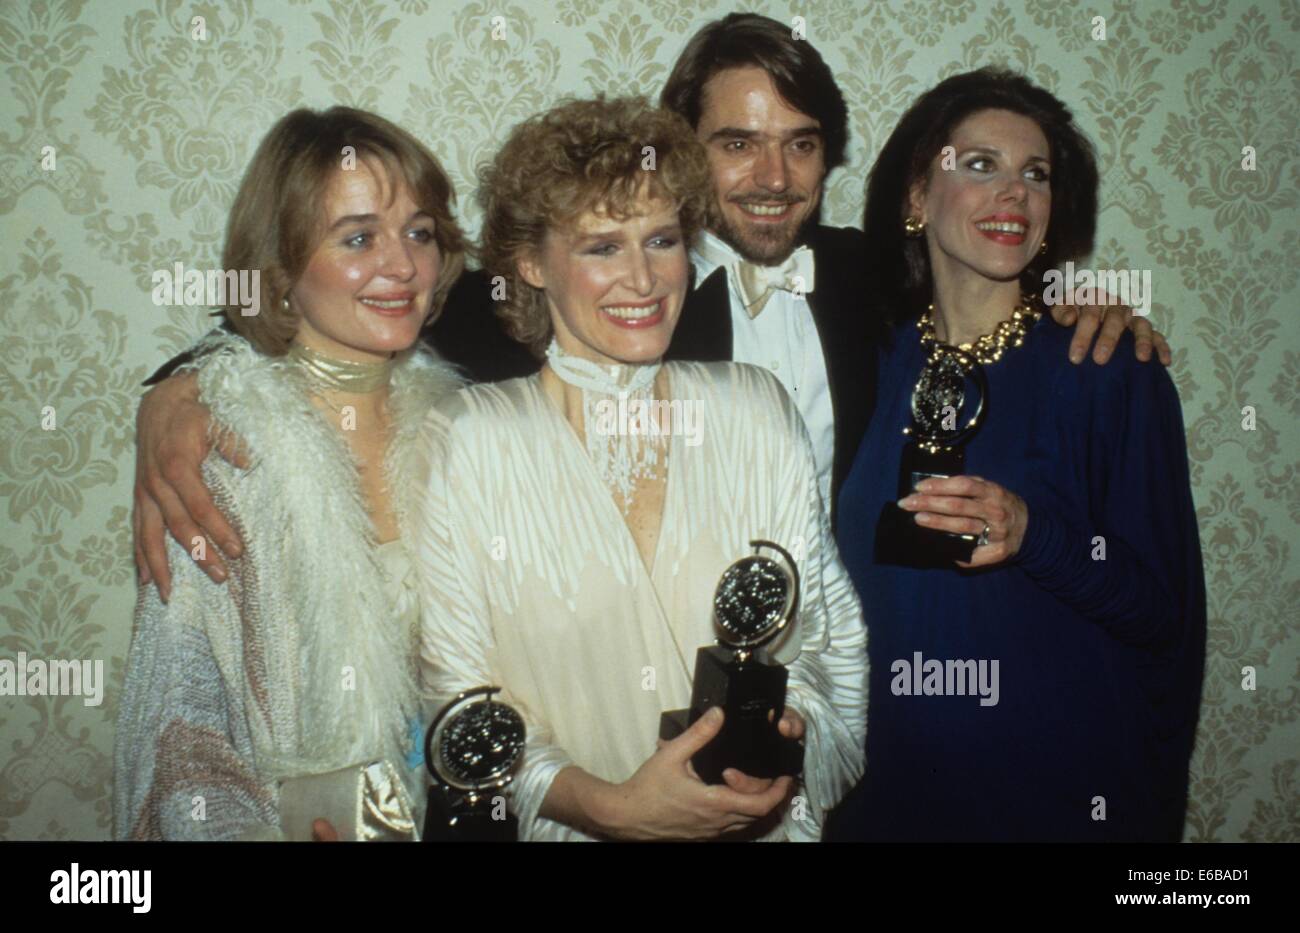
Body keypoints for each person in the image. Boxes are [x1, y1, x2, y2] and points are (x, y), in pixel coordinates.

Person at [127, 13, 1168, 596]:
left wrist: (1080, 293)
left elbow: (980, 261)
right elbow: (373, 298)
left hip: (855, 683)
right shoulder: (601, 290)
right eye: (735, 143)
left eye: (800, 142)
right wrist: (179, 383)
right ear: (678, 151)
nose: (772, 175)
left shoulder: (865, 280)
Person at [414, 96, 868, 841]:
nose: (644, 278)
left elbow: (830, 645)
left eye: (661, 239)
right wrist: (608, 806)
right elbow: (455, 695)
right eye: (601, 247)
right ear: (530, 261)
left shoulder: (757, 410)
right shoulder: (469, 438)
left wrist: (785, 740)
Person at [828, 68, 1206, 841]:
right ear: (913, 196)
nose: (1015, 193)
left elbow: (1164, 613)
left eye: (1036, 174)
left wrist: (1038, 534)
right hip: (885, 798)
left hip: (1052, 799)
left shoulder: (1110, 370)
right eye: (979, 165)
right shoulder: (867, 360)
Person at [113, 107, 467, 840]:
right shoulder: (220, 451)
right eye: (358, 237)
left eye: (420, 232)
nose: (402, 265)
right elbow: (183, 732)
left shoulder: (466, 424)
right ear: (278, 269)